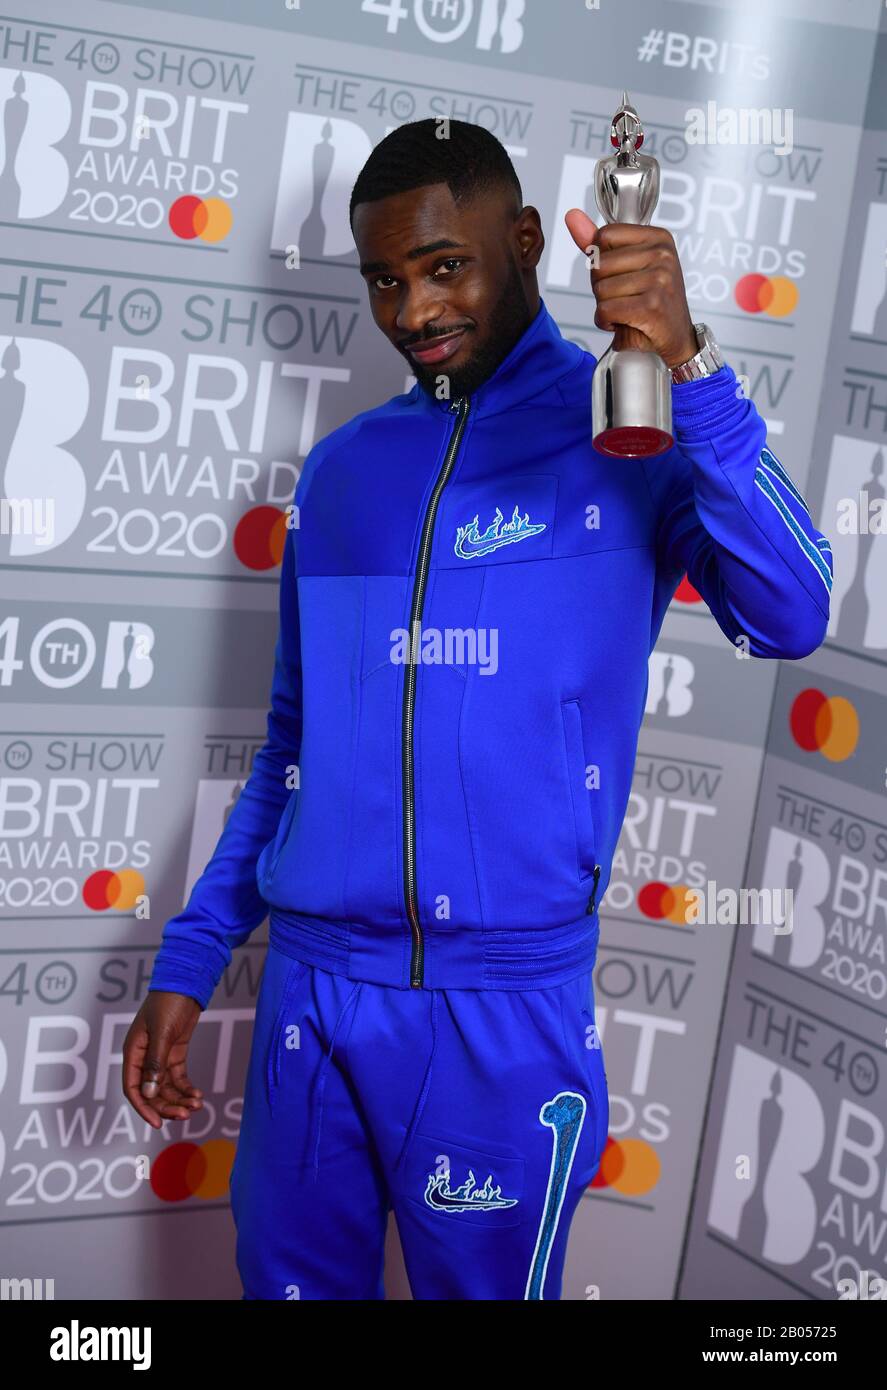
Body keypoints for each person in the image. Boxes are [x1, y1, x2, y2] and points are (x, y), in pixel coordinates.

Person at [122, 119, 833, 1300]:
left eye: (444, 266)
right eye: (385, 281)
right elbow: (295, 747)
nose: (412, 312)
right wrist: (194, 955)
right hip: (309, 994)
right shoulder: (344, 473)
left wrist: (690, 363)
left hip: (502, 1014)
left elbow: (793, 611)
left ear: (520, 244)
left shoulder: (632, 427)